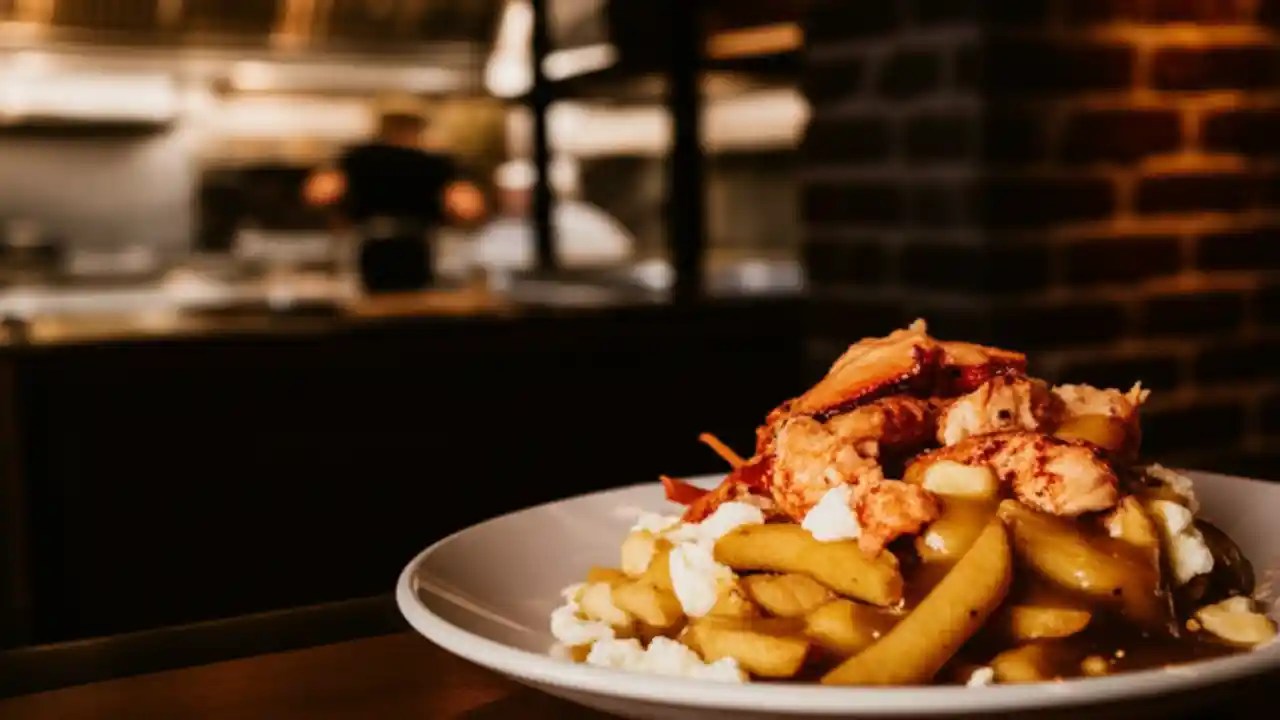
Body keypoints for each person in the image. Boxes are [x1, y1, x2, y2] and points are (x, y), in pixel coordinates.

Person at [304, 96, 484, 293]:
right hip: (413, 243)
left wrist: (338, 214)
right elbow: (467, 206)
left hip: (376, 242)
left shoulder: (358, 157)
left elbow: (320, 194)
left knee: (377, 297)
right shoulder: (436, 161)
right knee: (411, 299)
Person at [470, 156, 633, 285]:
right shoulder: (498, 229)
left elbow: (617, 251)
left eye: (518, 194)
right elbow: (479, 260)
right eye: (507, 194)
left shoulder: (580, 219)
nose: (512, 200)